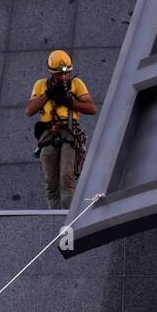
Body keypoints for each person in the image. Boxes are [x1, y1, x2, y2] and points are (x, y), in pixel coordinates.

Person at [25, 50, 97, 210]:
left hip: (69, 134)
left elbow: (91, 108)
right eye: (59, 75)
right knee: (51, 183)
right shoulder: (41, 85)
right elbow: (30, 110)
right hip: (47, 136)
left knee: (66, 178)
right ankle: (54, 218)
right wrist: (48, 95)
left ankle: (67, 216)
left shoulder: (76, 85)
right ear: (52, 73)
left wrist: (69, 102)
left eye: (66, 74)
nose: (63, 77)